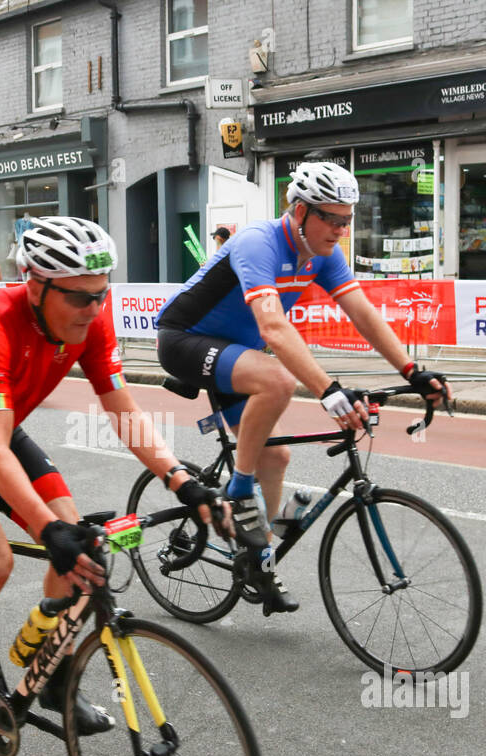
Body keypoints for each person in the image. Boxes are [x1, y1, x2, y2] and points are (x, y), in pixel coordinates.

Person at [0, 216, 229, 728]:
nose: (93, 309)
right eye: (78, 297)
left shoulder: (91, 317)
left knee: (82, 546)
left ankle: (50, 671)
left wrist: (180, 479)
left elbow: (123, 410)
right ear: (34, 284)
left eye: (101, 294)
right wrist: (47, 531)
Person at [156, 160, 450, 614]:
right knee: (277, 379)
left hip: (238, 351)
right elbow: (273, 327)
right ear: (298, 211)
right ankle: (237, 492)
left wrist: (412, 370)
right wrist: (329, 391)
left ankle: (257, 559)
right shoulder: (259, 241)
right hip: (185, 339)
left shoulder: (325, 255)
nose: (339, 230)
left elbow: (363, 314)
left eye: (346, 220)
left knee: (276, 455)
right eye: (330, 218)